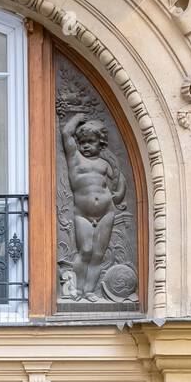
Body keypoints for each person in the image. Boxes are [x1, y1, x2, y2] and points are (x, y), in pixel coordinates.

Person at [60, 114, 127, 300]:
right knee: (86, 251)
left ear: (101, 143)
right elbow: (66, 133)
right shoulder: (75, 159)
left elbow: (118, 182)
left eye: (91, 141)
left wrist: (118, 194)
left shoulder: (106, 164)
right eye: (83, 142)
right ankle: (77, 289)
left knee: (98, 254)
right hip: (82, 214)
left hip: (107, 212)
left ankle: (89, 290)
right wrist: (77, 119)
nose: (86, 146)